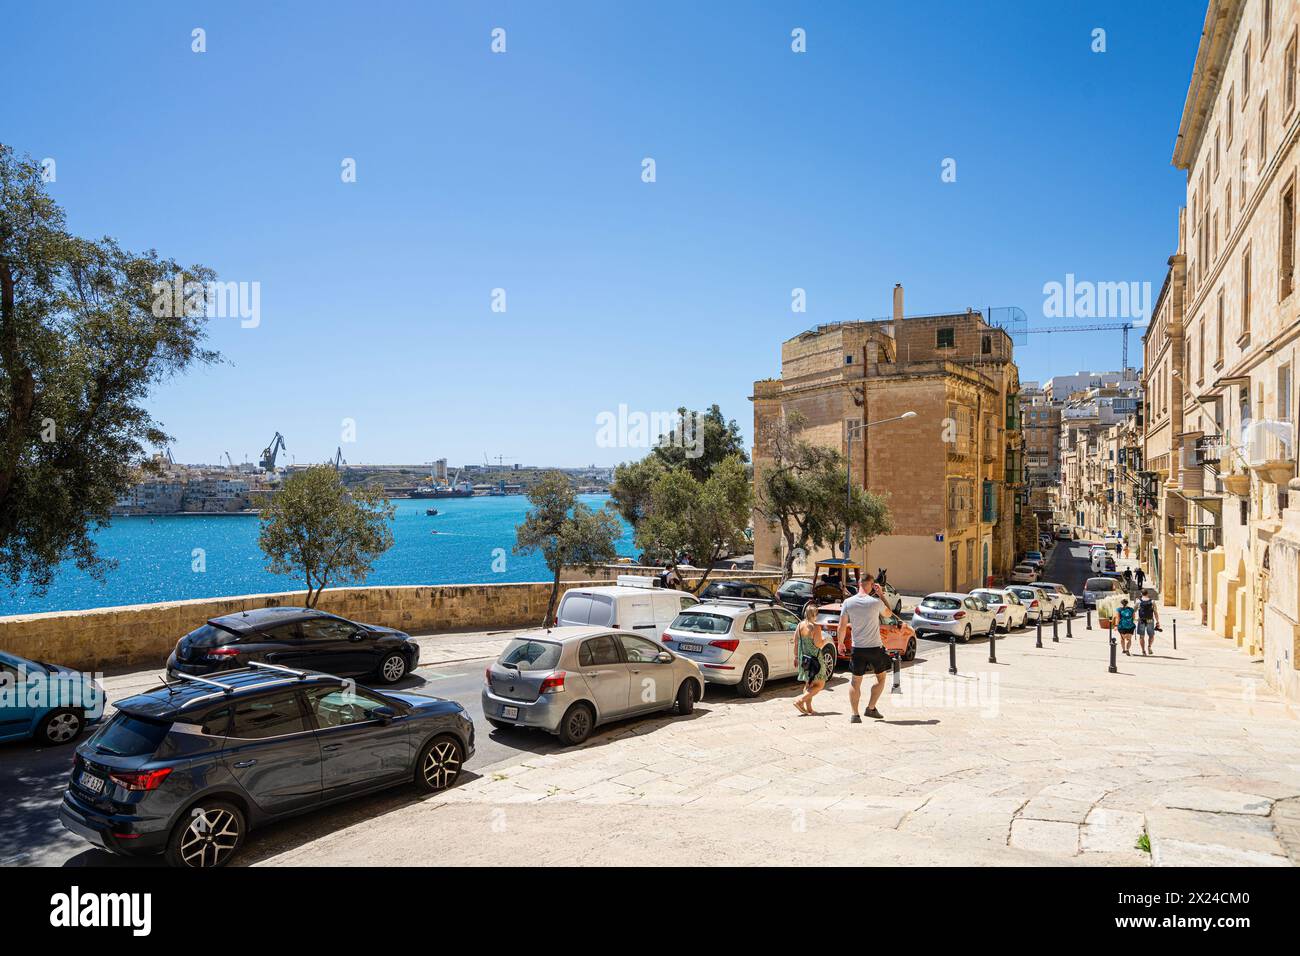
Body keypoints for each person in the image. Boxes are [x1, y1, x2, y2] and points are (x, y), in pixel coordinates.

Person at [837, 573, 894, 723]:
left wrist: (840, 643)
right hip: (875, 648)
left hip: (858, 648)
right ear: (870, 584)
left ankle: (855, 715)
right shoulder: (875, 602)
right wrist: (881, 595)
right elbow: (889, 614)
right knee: (881, 678)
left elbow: (842, 626)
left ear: (858, 584)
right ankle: (871, 707)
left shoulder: (848, 602)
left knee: (855, 681)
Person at [794, 604, 830, 715]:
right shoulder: (816, 627)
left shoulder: (800, 625)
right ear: (814, 615)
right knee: (820, 684)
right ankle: (799, 701)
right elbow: (818, 644)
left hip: (804, 659)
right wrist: (826, 640)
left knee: (809, 684)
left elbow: (795, 642)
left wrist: (796, 657)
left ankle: (809, 709)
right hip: (815, 660)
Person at [1135, 589, 1159, 655]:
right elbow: (1155, 612)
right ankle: (1149, 646)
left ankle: (1143, 651)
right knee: (1151, 635)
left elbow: (1134, 611)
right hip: (1150, 620)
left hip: (1141, 620)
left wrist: (1133, 619)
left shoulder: (1138, 601)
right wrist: (1157, 621)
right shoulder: (1152, 601)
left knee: (1141, 636)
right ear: (1147, 594)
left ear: (1141, 594)